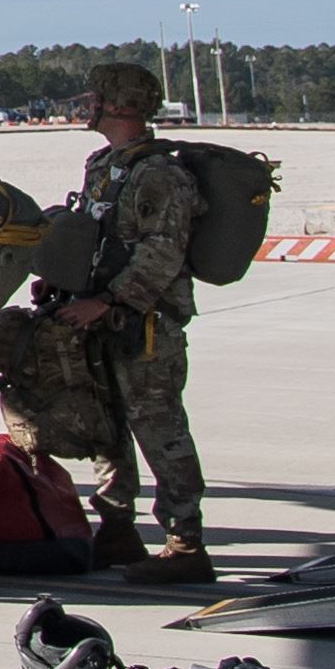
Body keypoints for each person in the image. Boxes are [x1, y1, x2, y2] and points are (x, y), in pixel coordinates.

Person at [58, 58, 214, 585]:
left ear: (119, 105)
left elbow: (164, 251)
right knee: (107, 428)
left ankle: (185, 542)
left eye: (95, 97)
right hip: (102, 320)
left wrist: (110, 301)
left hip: (146, 326)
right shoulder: (103, 164)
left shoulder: (160, 173)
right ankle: (117, 526)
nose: (87, 106)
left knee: (160, 427)